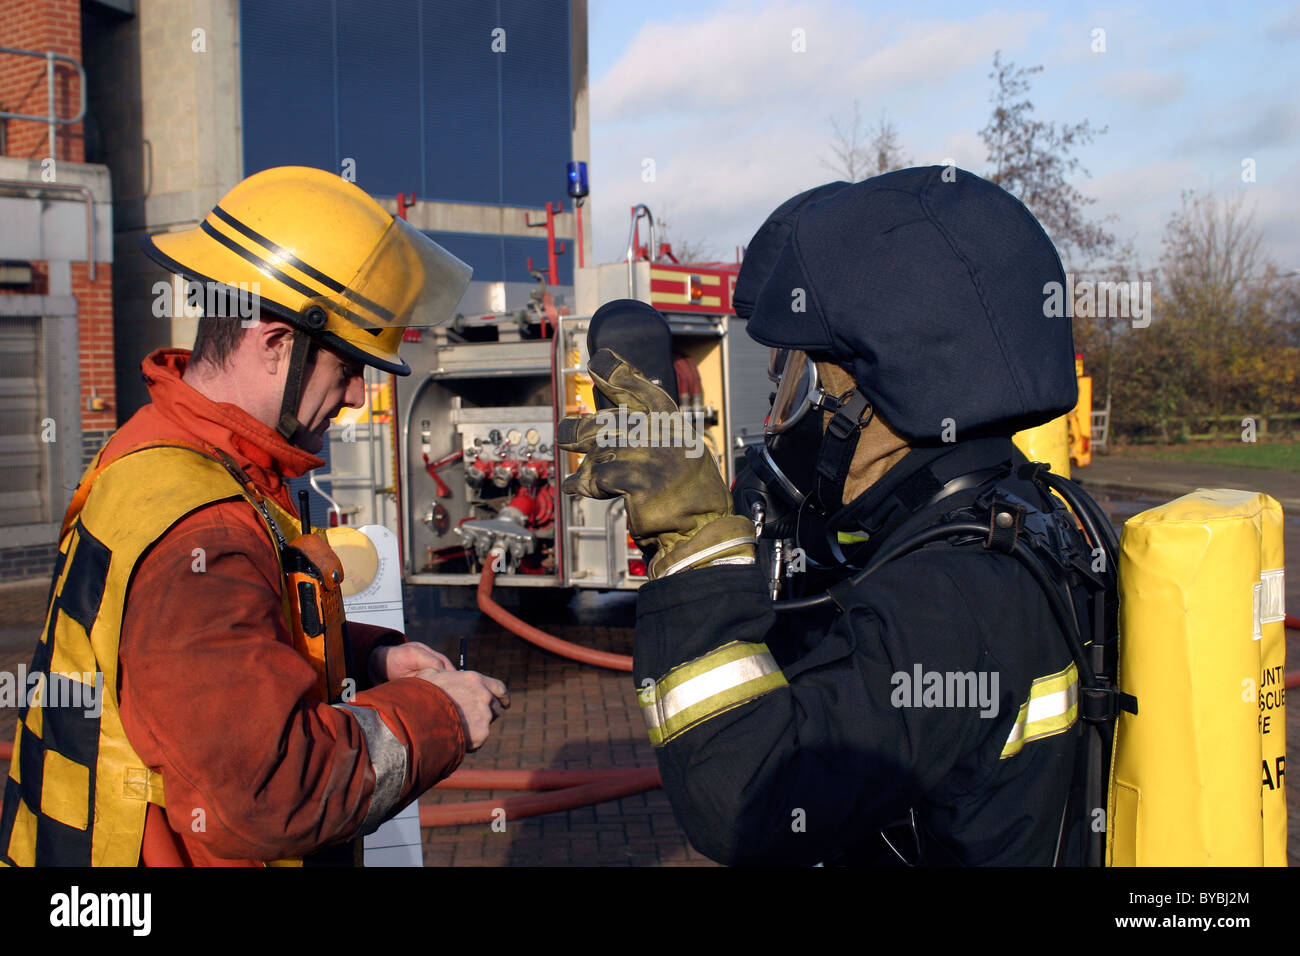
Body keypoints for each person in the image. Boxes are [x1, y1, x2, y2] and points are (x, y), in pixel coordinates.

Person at [558, 166, 1111, 866]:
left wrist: (692, 545)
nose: (789, 420)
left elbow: (748, 795)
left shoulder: (948, 596)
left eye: (803, 384)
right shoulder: (1016, 516)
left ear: (881, 399)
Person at [0, 166, 509, 867]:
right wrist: (442, 717)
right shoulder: (200, 530)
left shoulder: (163, 452)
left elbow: (233, 645)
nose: (359, 395)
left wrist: (374, 657)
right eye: (348, 367)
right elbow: (274, 794)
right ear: (276, 346)